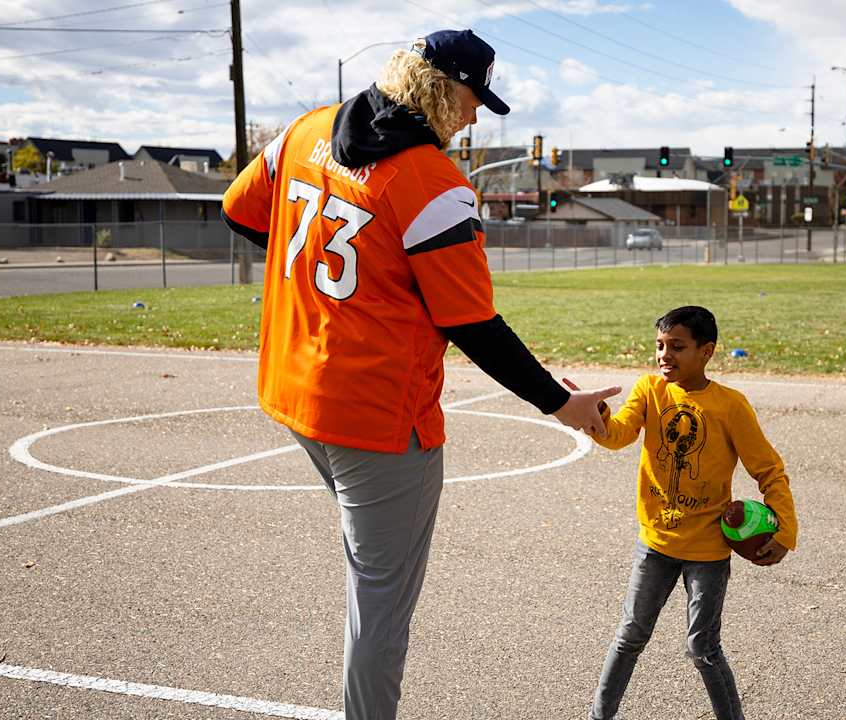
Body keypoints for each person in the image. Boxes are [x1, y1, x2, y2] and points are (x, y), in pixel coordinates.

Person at [220, 28, 619, 720]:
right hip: (378, 420)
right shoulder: (434, 184)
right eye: (471, 100)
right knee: (381, 604)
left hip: (292, 392)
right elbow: (473, 325)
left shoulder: (306, 129)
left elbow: (240, 210)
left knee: (369, 576)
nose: (471, 118)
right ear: (439, 87)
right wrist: (563, 403)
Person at [569, 305, 798, 720]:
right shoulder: (650, 390)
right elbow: (618, 435)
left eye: (677, 346)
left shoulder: (730, 405)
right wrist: (596, 415)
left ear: (706, 351)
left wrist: (785, 530)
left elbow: (769, 469)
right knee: (629, 636)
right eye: (659, 345)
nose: (664, 355)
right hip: (656, 543)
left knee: (702, 648)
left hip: (708, 550)